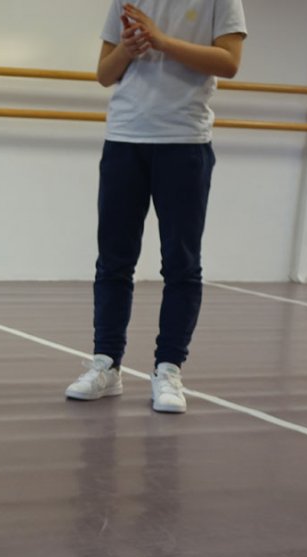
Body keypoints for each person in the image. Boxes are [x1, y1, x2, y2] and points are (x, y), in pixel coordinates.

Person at [65, 1, 246, 413]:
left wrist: (163, 41)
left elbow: (230, 62)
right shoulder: (126, 3)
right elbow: (103, 74)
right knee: (113, 261)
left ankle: (168, 369)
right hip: (125, 139)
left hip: (185, 143)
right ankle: (106, 364)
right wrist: (127, 49)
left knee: (181, 263)